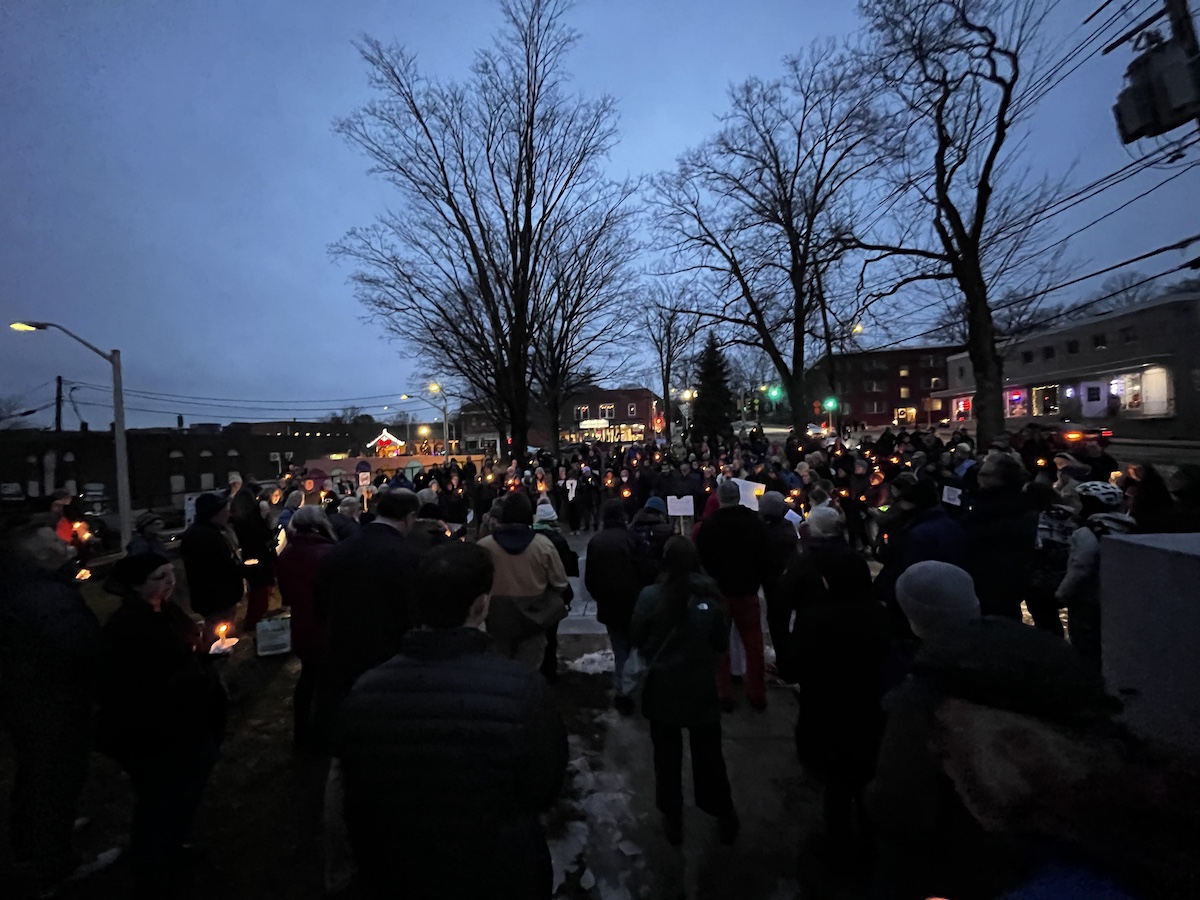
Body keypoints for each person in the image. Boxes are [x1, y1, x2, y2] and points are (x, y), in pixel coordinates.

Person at [871, 562, 1123, 900]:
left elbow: (898, 800)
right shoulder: (1041, 650)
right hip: (1071, 842)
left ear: (913, 620)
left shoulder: (925, 695)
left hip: (963, 856)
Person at [333, 542, 567, 899]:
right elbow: (544, 784)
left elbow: (348, 791)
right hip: (498, 870)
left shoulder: (365, 691)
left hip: (399, 870)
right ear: (480, 605)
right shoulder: (523, 690)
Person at [97, 553, 226, 899]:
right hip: (155, 732)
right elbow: (133, 685)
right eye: (159, 577)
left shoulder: (169, 613)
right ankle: (154, 869)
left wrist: (206, 652)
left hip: (189, 721)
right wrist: (192, 670)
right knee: (160, 799)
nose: (169, 582)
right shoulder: (127, 628)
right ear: (136, 584)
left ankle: (172, 847)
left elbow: (187, 649)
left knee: (186, 791)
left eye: (170, 574)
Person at [0, 522, 114, 896]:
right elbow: (77, 651)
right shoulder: (46, 599)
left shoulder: (30, 590)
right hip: (54, 705)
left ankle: (33, 840)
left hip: (30, 703)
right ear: (37, 555)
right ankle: (56, 862)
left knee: (36, 774)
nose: (64, 542)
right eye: (53, 541)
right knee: (56, 778)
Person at [629, 536, 738, 846]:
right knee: (709, 755)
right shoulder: (711, 595)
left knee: (666, 756)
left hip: (662, 687)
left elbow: (637, 634)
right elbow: (720, 642)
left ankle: (672, 816)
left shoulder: (651, 596)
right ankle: (721, 810)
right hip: (701, 686)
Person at [314, 489, 422, 731]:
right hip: (389, 655)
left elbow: (320, 603)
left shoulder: (338, 551)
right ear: (410, 517)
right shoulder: (406, 555)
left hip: (342, 649)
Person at [695, 479, 772, 710]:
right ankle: (756, 692)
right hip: (747, 589)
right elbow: (765, 556)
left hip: (720, 591)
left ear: (719, 498)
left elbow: (703, 559)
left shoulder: (709, 526)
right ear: (739, 497)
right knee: (754, 645)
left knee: (720, 644)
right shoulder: (755, 523)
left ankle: (724, 692)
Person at [477, 493, 571, 670]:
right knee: (528, 670)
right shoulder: (543, 545)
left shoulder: (484, 546)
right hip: (532, 620)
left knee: (499, 668)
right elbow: (560, 583)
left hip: (496, 620)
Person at [276, 506, 337, 749]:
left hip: (301, 624)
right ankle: (323, 733)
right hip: (325, 624)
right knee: (326, 682)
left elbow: (287, 596)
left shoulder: (287, 554)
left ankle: (302, 731)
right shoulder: (327, 553)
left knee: (308, 678)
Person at [1056, 481, 1134, 668]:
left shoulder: (1086, 532)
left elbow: (1080, 566)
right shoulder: (1129, 528)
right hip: (1121, 596)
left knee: (1085, 646)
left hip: (1088, 598)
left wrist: (1061, 593)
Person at [584, 500, 644, 714]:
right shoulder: (632, 539)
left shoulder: (596, 542)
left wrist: (600, 596)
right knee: (636, 646)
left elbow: (590, 579)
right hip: (634, 602)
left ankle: (622, 691)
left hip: (609, 604)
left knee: (620, 649)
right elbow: (644, 570)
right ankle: (632, 686)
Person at [962, 453, 1038, 620]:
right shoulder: (985, 499)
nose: (979, 478)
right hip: (996, 575)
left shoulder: (1003, 506)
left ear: (1000, 478)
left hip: (995, 576)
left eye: (984, 474)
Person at [181, 492, 250, 644]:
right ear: (215, 513)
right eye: (225, 510)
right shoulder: (207, 537)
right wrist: (246, 570)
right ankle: (214, 651)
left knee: (218, 625)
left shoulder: (203, 532)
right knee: (217, 627)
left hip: (212, 595)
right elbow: (220, 568)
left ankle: (217, 648)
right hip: (217, 596)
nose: (228, 513)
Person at [532, 499, 578, 682]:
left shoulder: (531, 537)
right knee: (550, 636)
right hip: (551, 594)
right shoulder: (556, 540)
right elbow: (565, 569)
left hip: (532, 591)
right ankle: (549, 673)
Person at [230, 484, 277, 630]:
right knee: (260, 591)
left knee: (257, 590)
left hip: (251, 558)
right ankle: (255, 621)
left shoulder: (240, 518)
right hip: (260, 558)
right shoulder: (252, 519)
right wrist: (269, 542)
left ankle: (254, 620)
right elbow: (259, 538)